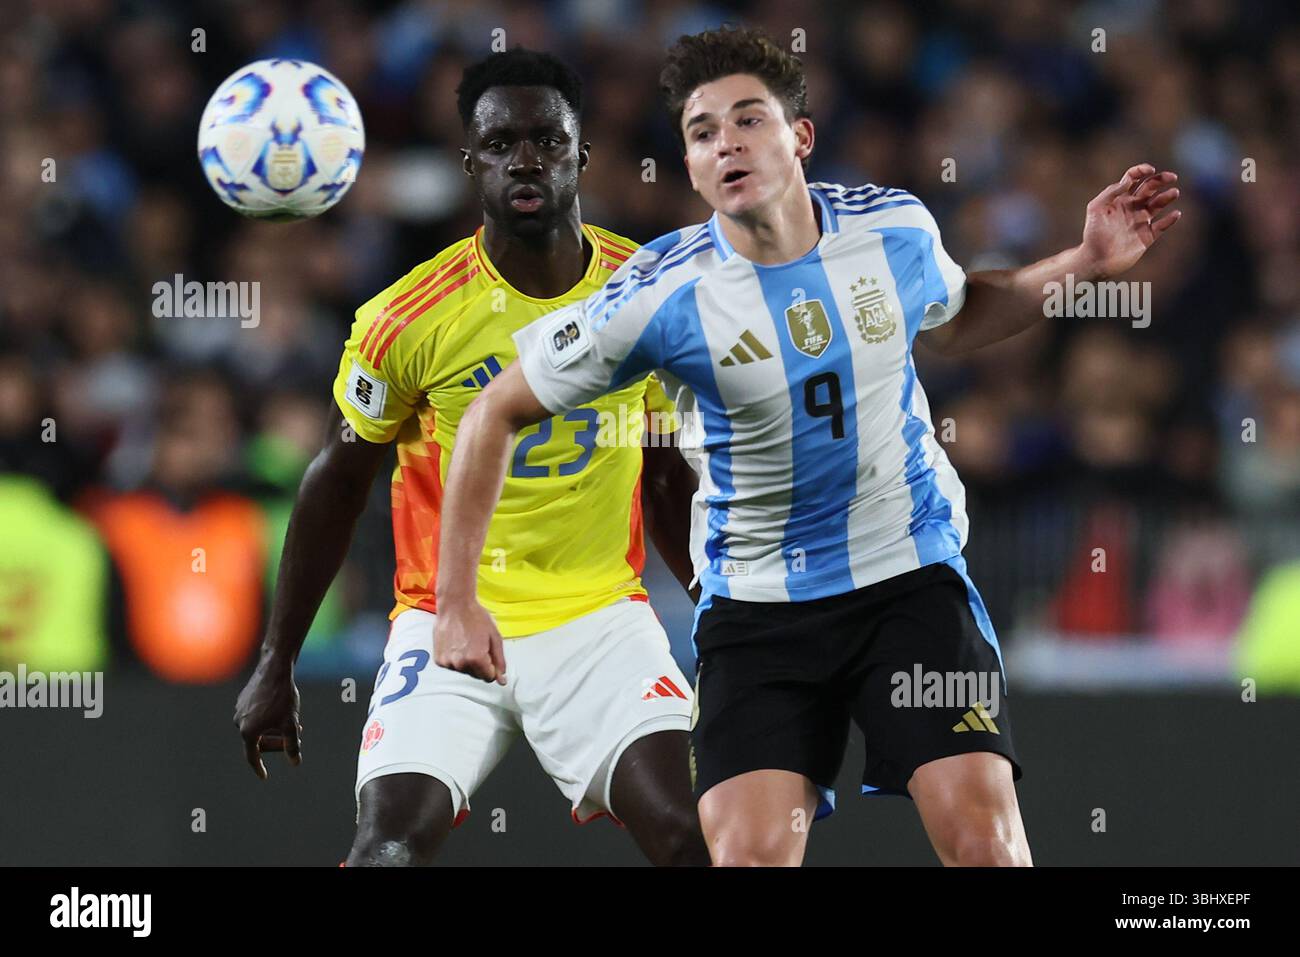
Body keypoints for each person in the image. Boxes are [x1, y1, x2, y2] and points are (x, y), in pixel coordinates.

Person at [432, 26, 1181, 866]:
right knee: (748, 857)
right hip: (758, 612)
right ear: (687, 162)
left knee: (985, 843)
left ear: (801, 136)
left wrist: (1083, 258)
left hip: (910, 578)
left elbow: (963, 312)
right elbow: (493, 411)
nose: (727, 145)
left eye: (748, 120)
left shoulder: (891, 230)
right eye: (703, 132)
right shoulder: (656, 295)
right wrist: (455, 597)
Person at [234, 48, 709, 867]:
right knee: (387, 848)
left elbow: (666, 473)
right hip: (445, 619)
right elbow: (336, 483)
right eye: (500, 144)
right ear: (470, 164)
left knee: (693, 837)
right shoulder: (406, 318)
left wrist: (718, 610)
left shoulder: (649, 291)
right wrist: (277, 661)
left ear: (580, 156)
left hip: (600, 618)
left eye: (547, 142)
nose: (525, 160)